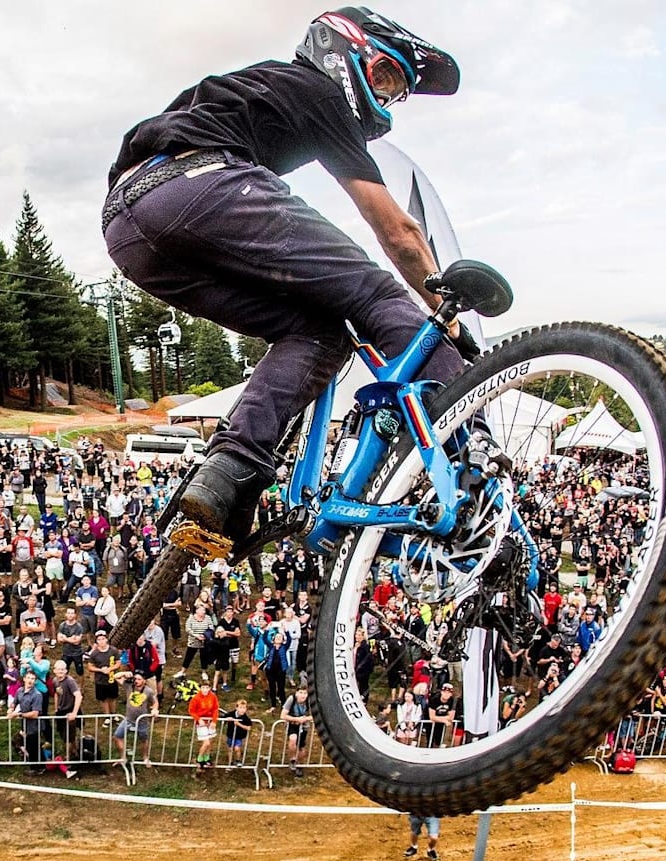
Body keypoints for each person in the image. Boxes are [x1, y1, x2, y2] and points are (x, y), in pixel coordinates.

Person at [104, 7, 484, 543]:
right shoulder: (321, 92)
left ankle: (231, 471)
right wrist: (446, 319)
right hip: (202, 184)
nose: (386, 98)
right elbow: (397, 230)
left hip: (127, 227)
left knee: (318, 331)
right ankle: (475, 454)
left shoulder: (260, 86)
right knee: (375, 294)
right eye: (384, 77)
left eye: (396, 92)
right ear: (346, 51)